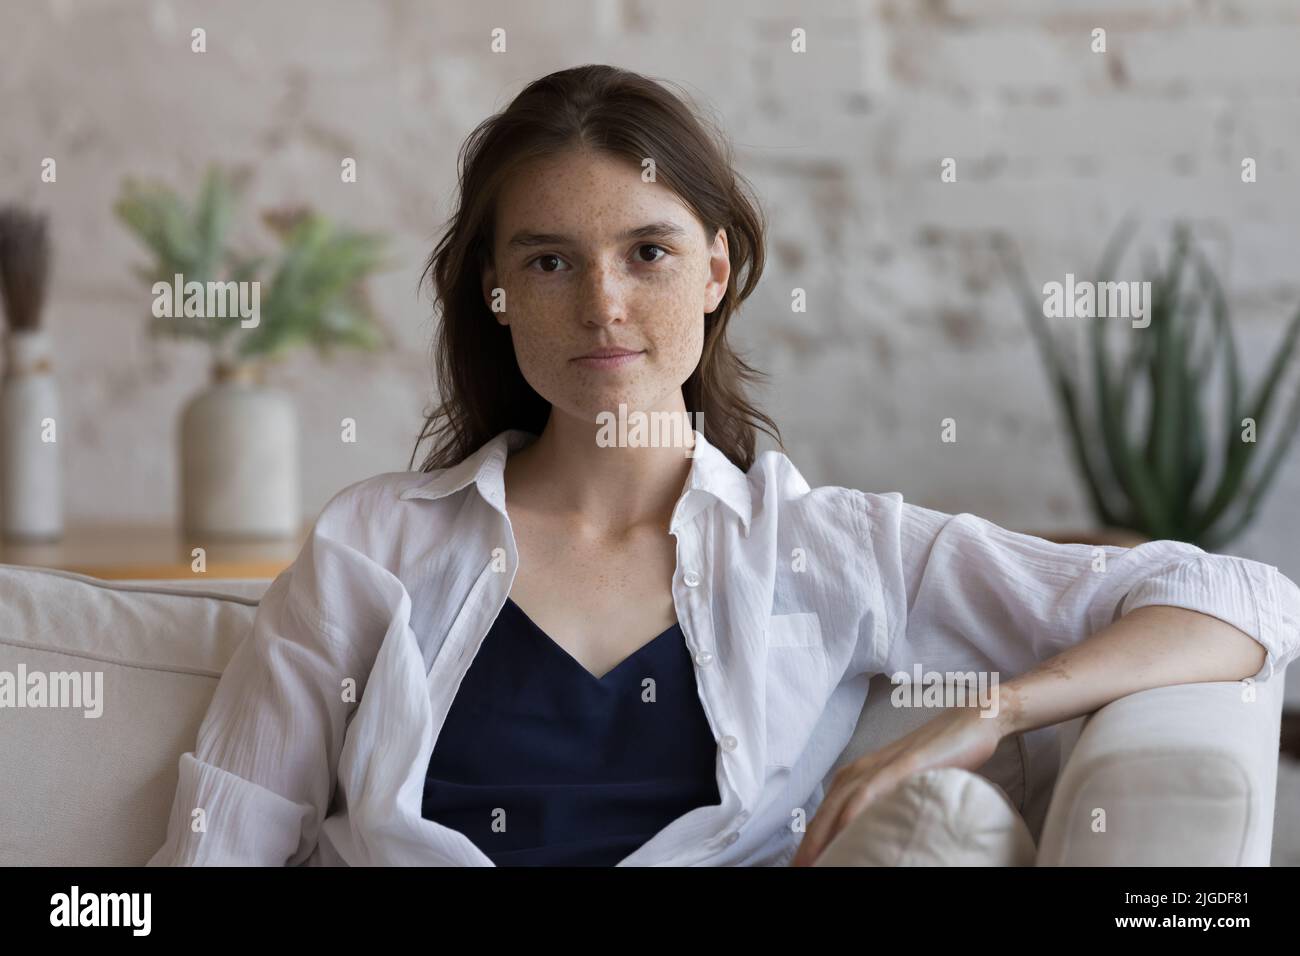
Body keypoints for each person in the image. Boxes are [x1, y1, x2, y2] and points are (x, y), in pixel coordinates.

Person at [148, 64, 1300, 867]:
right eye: (548, 261)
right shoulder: (373, 544)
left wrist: (989, 708)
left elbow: (1239, 597)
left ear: (716, 269)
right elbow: (226, 837)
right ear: (494, 295)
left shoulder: (832, 549)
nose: (601, 303)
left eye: (646, 251)